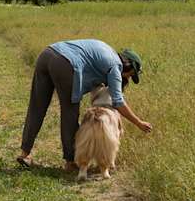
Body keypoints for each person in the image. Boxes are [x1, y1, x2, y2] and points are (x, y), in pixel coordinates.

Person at [16, 39, 153, 172]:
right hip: (65, 64)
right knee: (70, 113)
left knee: (37, 106)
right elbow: (118, 101)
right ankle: (71, 162)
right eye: (130, 75)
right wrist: (138, 122)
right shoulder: (115, 67)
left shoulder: (106, 50)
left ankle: (25, 154)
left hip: (47, 54)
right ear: (128, 65)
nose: (127, 78)